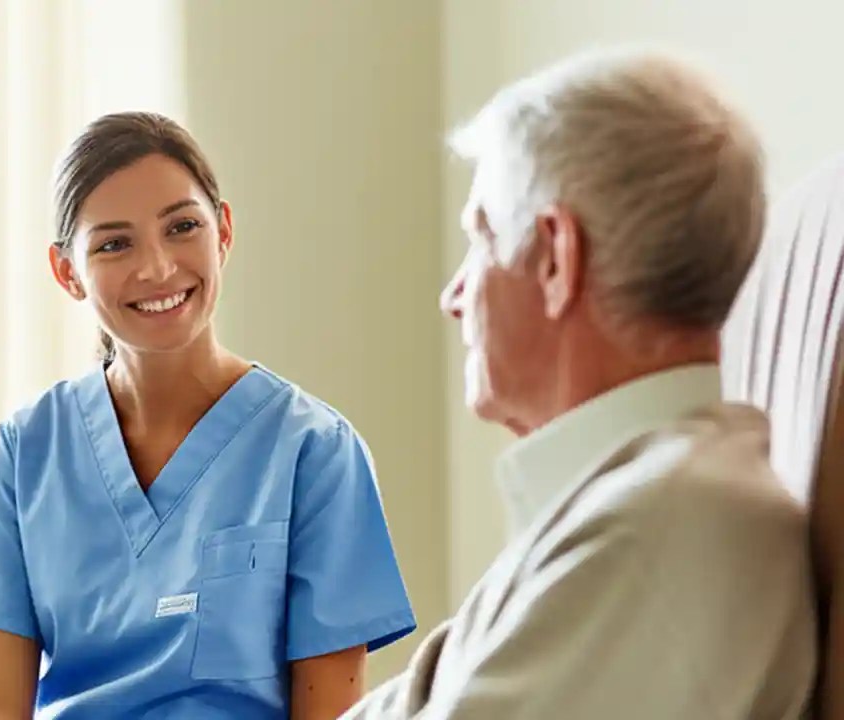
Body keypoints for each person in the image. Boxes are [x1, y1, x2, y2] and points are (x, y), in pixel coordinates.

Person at [344, 49, 816, 718]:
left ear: (556, 258)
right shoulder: (624, 498)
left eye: (481, 238)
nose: (454, 295)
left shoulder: (656, 529)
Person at [0, 111, 416, 719]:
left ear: (224, 231)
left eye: (182, 227)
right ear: (67, 272)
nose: (158, 268)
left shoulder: (314, 450)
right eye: (115, 244)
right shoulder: (26, 450)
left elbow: (331, 711)